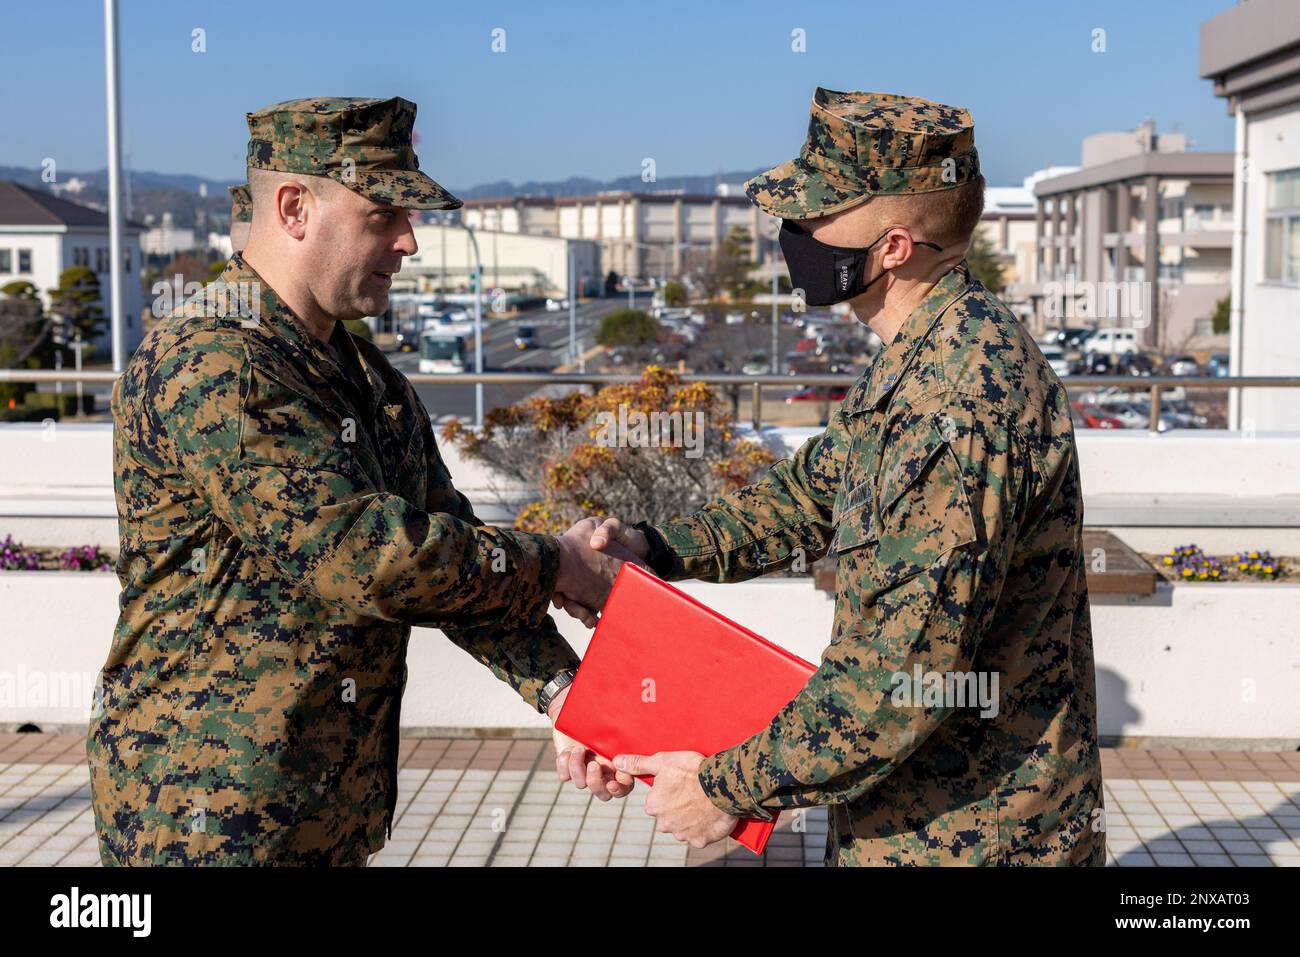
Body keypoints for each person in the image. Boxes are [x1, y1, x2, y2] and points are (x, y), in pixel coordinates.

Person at [562, 89, 1105, 866]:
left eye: (817, 215)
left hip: (973, 838)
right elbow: (804, 497)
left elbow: (894, 681)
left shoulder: (958, 402)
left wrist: (723, 789)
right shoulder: (926, 354)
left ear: (891, 247)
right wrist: (651, 547)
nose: (795, 235)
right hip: (913, 819)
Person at [90, 96, 632, 866]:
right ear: (294, 208)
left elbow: (452, 554)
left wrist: (569, 697)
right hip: (202, 818)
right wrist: (559, 563)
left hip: (324, 812)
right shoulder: (216, 365)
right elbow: (371, 557)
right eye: (383, 214)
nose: (409, 240)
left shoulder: (363, 375)